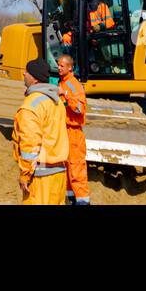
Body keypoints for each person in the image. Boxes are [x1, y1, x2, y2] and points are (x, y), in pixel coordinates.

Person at [12, 57, 69, 204]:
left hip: (40, 177)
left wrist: (25, 174)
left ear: (35, 79)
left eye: (27, 72)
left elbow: (29, 146)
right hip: (59, 174)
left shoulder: (30, 106)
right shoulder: (56, 102)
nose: (24, 74)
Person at [57, 53, 90, 205]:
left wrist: (66, 95)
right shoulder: (62, 82)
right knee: (67, 169)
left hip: (74, 133)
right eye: (58, 65)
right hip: (65, 131)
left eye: (61, 66)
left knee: (76, 170)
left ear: (70, 68)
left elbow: (79, 109)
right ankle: (71, 200)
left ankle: (83, 202)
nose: (58, 68)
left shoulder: (72, 85)